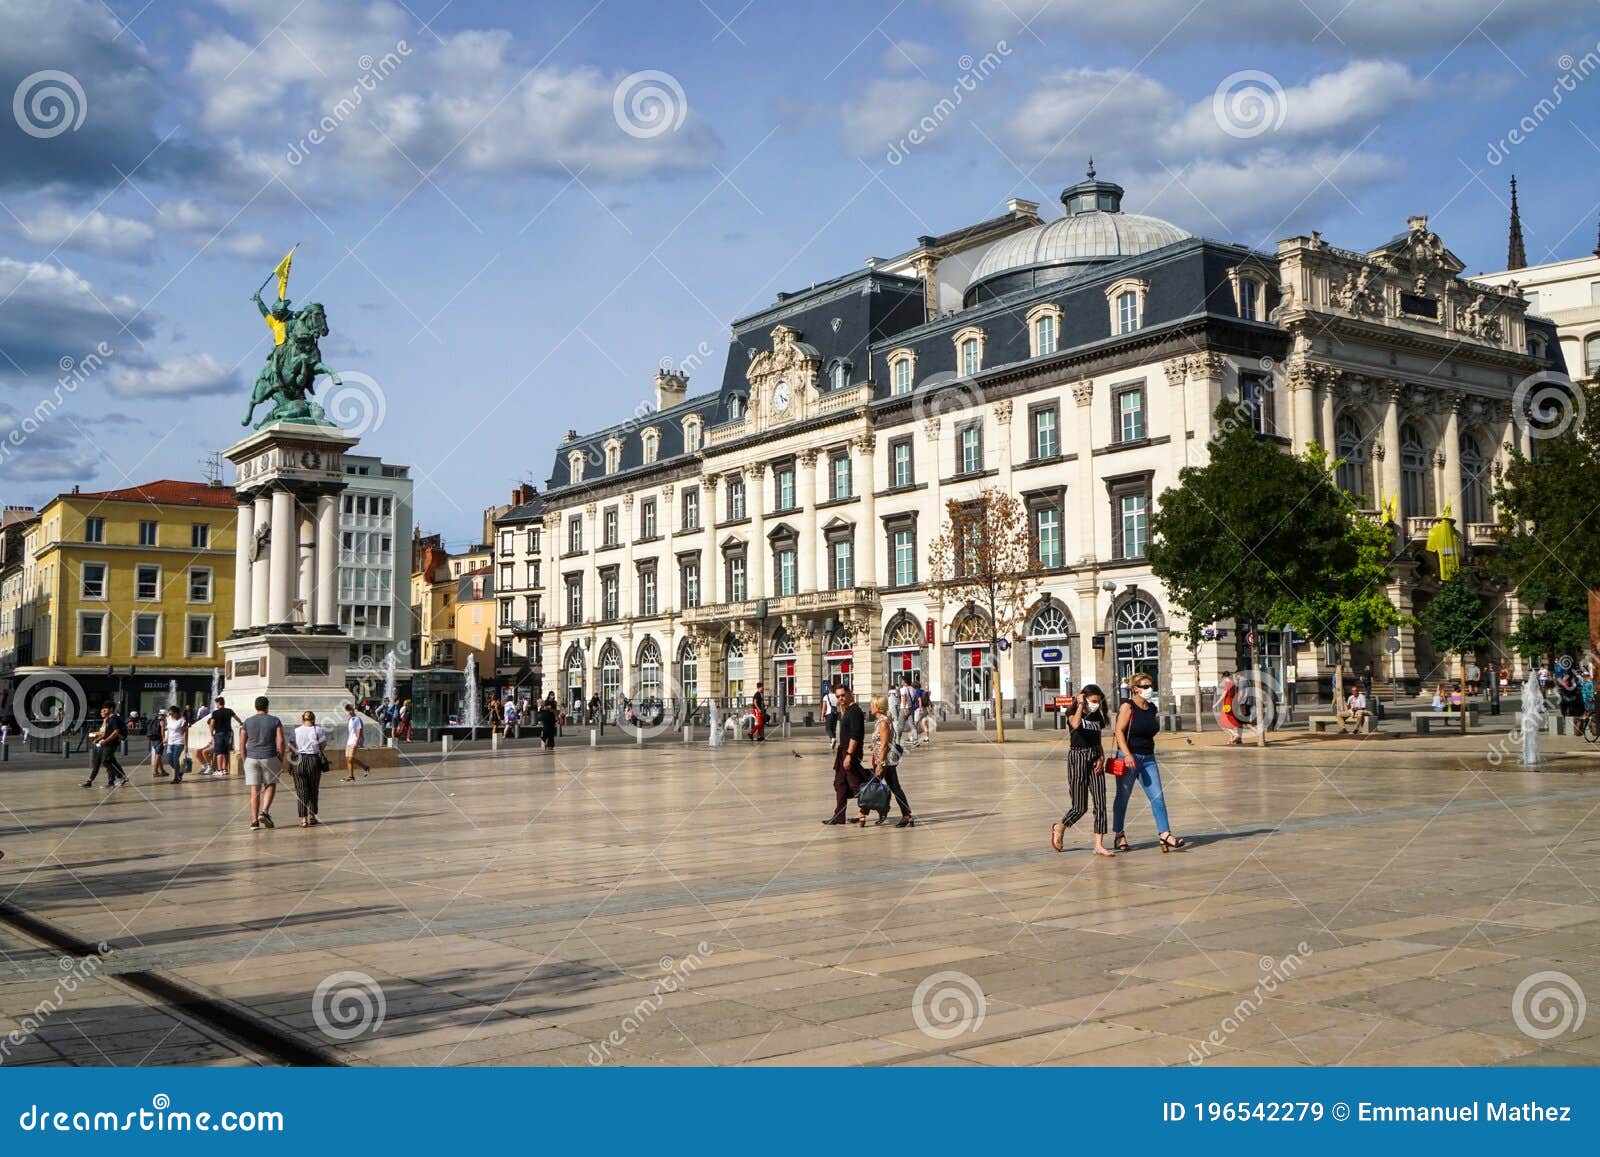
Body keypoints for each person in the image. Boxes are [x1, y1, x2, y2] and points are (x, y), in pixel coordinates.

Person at [1111, 675, 1185, 852]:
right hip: (1128, 758)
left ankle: (1165, 834)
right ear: (1135, 688)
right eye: (1145, 686)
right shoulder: (1128, 707)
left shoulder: (1151, 707)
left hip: (1148, 758)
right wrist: (1127, 754)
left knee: (1157, 796)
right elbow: (1119, 732)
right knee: (1123, 797)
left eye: (1151, 685)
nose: (1149, 689)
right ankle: (1119, 834)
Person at [1052, 685, 1112, 856]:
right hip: (1077, 757)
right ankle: (1060, 826)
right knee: (1080, 806)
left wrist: (1101, 756)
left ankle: (1099, 845)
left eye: (1099, 702)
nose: (1096, 705)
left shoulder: (1098, 716)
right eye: (1093, 701)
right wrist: (1079, 705)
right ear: (1084, 698)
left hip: (1095, 757)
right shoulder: (1072, 712)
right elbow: (1075, 724)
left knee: (1101, 802)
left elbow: (1098, 739)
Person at [858, 695, 914, 827]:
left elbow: (884, 744)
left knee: (871, 787)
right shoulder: (882, 721)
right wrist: (874, 744)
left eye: (872, 705)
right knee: (892, 787)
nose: (870, 707)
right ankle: (906, 815)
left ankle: (864, 813)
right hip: (885, 760)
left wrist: (880, 764)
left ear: (877, 707)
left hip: (885, 762)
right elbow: (884, 741)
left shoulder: (883, 722)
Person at [823, 687, 867, 825]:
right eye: (838, 696)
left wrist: (849, 755)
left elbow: (855, 736)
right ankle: (839, 816)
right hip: (843, 752)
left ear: (850, 694)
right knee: (840, 783)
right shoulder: (847, 710)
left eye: (843, 695)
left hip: (850, 752)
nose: (840, 698)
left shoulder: (855, 711)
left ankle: (865, 809)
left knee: (855, 784)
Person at [241, 696, 284, 831]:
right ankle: (264, 812)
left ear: (255, 706)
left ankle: (254, 821)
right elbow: (281, 741)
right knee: (270, 784)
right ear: (267, 706)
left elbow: (242, 743)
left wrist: (244, 759)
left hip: (251, 758)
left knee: (255, 790)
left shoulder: (247, 722)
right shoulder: (275, 721)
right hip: (269, 756)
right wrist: (280, 758)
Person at [290, 711, 327, 827]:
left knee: (301, 791)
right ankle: (312, 816)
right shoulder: (318, 730)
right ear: (313, 719)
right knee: (313, 789)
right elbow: (323, 745)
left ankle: (303, 819)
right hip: (313, 761)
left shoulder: (296, 731)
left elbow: (291, 747)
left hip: (299, 760)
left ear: (302, 719)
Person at [81, 704, 128, 788]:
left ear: (111, 709)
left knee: (106, 761)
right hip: (106, 743)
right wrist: (98, 739)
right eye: (102, 710)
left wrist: (104, 740)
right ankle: (90, 781)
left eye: (105, 710)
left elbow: (115, 732)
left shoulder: (112, 719)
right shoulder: (108, 719)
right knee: (102, 761)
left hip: (110, 744)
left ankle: (119, 777)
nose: (102, 711)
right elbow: (105, 733)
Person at [208, 697, 237, 777]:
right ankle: (225, 769)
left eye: (216, 703)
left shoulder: (215, 713)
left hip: (219, 733)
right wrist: (241, 723)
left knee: (219, 752)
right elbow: (236, 718)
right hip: (228, 733)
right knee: (225, 752)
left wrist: (212, 734)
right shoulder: (229, 711)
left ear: (218, 703)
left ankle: (219, 770)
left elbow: (212, 723)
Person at [163, 706, 189, 784]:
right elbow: (168, 730)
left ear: (177, 713)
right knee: (169, 759)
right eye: (170, 714)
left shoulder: (182, 720)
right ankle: (179, 772)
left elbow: (185, 733)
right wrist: (165, 739)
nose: (171, 715)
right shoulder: (169, 719)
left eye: (172, 713)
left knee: (175, 758)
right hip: (170, 742)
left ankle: (176, 778)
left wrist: (186, 745)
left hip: (179, 742)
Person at [342, 703, 368, 781]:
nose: (349, 711)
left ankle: (351, 776)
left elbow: (358, 730)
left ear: (353, 709)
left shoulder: (357, 719)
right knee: (348, 759)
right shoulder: (350, 719)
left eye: (350, 709)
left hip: (354, 741)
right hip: (349, 741)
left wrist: (357, 741)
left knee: (350, 759)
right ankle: (363, 768)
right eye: (348, 710)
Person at [1216, 671, 1242, 745]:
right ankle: (1231, 739)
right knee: (1231, 719)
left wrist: (1216, 703)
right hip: (1232, 702)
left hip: (1227, 703)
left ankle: (1235, 734)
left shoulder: (1227, 684)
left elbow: (1224, 694)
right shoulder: (1233, 684)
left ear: (1224, 677)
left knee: (1223, 722)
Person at [147, 712, 167, 777]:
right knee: (158, 755)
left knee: (158, 755)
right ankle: (155, 771)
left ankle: (162, 771)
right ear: (163, 716)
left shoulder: (153, 720)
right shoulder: (162, 722)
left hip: (152, 739)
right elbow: (162, 732)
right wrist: (164, 740)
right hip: (159, 740)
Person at [823, 681, 841, 749]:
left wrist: (822, 715)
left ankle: (832, 739)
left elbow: (824, 707)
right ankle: (832, 742)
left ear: (829, 689)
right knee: (833, 728)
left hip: (829, 714)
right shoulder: (837, 696)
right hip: (836, 713)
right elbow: (838, 704)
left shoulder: (826, 696)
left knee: (828, 728)